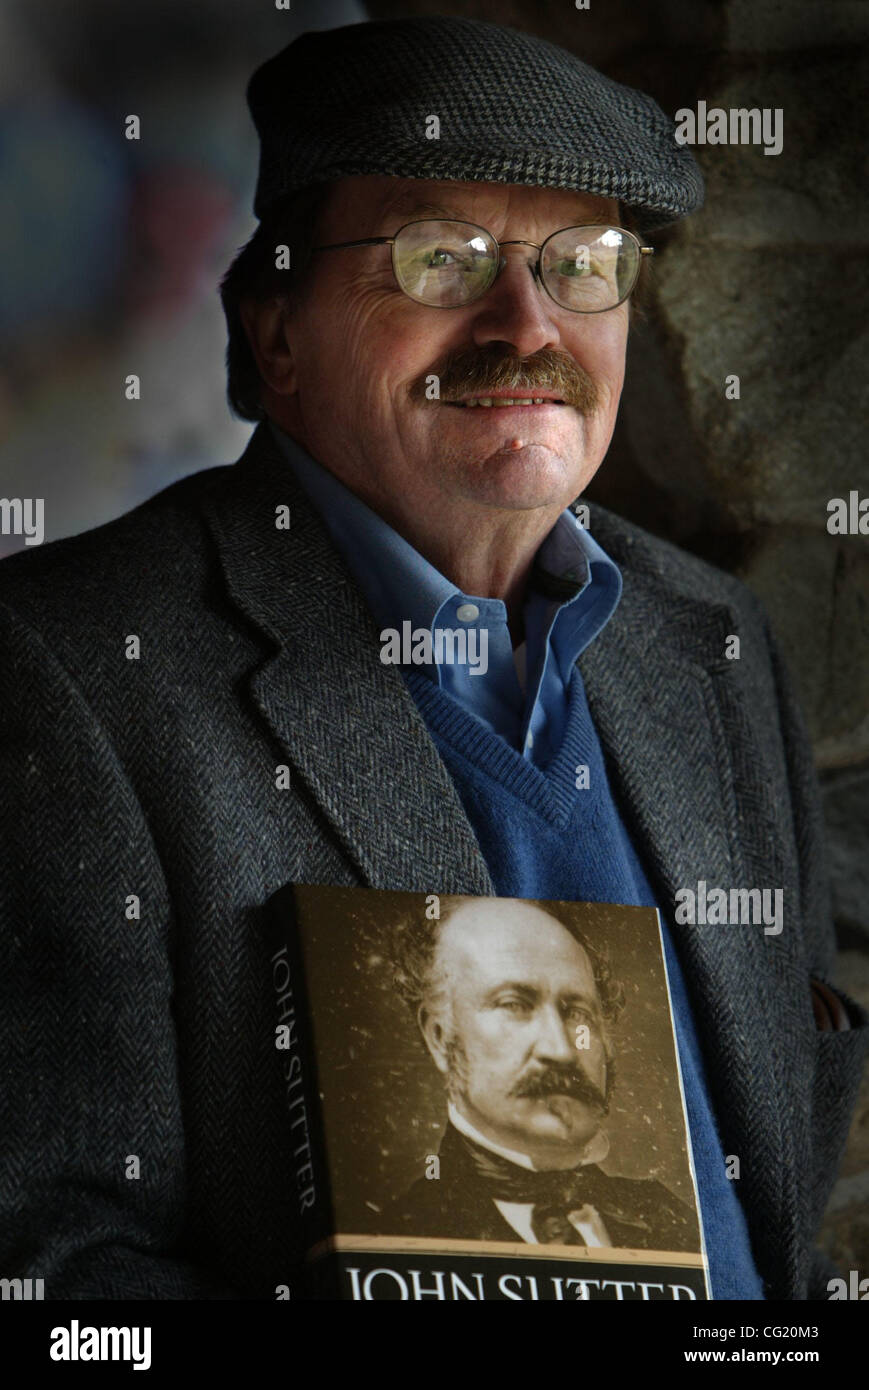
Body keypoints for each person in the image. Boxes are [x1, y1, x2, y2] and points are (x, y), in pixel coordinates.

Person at [0, 16, 865, 1301]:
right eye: (438, 257)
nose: (526, 325)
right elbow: (51, 1279)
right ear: (275, 331)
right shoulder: (66, 672)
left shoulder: (713, 640)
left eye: (585, 263)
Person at [384, 897, 697, 1252]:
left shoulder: (669, 1217)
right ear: (440, 1037)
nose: (560, 1050)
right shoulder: (399, 1238)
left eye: (577, 1013)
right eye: (514, 1005)